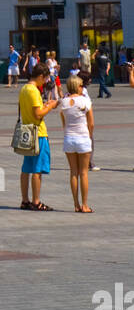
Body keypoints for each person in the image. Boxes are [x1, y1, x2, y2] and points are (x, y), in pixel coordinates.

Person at [18, 62, 58, 210]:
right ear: (41, 76)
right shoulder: (33, 90)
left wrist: (45, 105)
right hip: (38, 133)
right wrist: (50, 106)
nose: (46, 81)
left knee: (26, 168)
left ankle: (25, 200)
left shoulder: (24, 88)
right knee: (37, 169)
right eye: (45, 78)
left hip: (27, 131)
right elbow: (38, 114)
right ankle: (36, 201)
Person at [59, 75, 94, 212]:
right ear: (77, 86)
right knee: (84, 173)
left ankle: (76, 204)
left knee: (73, 172)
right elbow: (91, 123)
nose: (82, 88)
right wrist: (89, 136)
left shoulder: (64, 102)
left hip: (69, 138)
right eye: (81, 85)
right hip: (83, 138)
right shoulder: (85, 101)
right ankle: (85, 205)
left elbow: (63, 121)